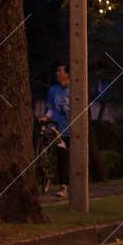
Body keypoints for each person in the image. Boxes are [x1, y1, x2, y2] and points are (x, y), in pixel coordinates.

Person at [46, 62, 71, 191]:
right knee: (62, 156)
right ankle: (63, 185)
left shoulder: (76, 90)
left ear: (67, 74)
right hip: (58, 130)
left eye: (60, 71)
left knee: (71, 159)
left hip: (73, 130)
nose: (57, 73)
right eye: (57, 71)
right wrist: (46, 117)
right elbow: (50, 109)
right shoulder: (53, 90)